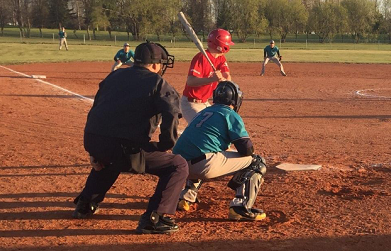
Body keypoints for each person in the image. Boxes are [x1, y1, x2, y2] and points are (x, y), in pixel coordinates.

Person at [72, 41, 189, 234]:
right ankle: (155, 218)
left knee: (110, 159)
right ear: (154, 65)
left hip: (94, 141)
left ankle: (85, 204)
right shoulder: (158, 82)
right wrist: (165, 144)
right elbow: (171, 112)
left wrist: (94, 150)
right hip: (124, 148)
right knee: (177, 165)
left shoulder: (114, 75)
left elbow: (96, 109)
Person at [173, 81, 268, 221]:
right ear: (235, 99)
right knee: (257, 162)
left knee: (202, 151)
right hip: (202, 166)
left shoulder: (204, 112)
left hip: (178, 166)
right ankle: (240, 207)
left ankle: (185, 197)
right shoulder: (229, 113)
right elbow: (246, 149)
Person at [180, 29, 233, 123]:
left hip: (205, 102)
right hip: (191, 103)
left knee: (218, 123)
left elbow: (227, 76)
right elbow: (191, 81)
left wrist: (222, 79)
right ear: (221, 45)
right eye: (227, 43)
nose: (228, 46)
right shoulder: (201, 57)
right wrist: (212, 79)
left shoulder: (220, 57)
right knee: (203, 127)